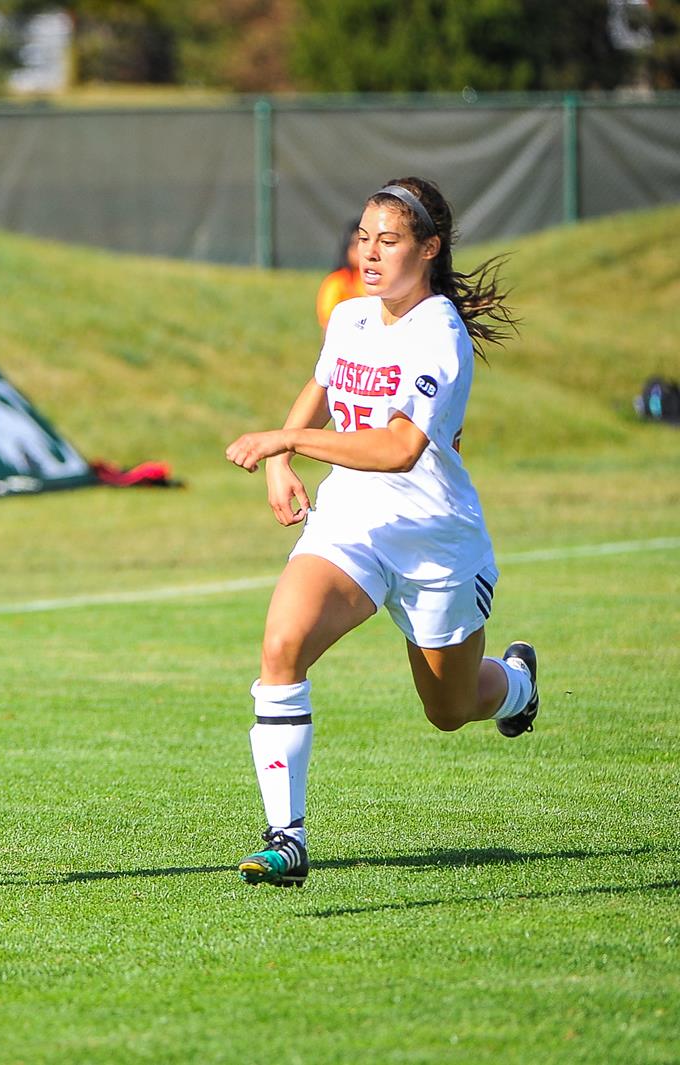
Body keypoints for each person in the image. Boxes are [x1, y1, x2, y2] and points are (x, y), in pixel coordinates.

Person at [223, 176, 535, 888]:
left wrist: (285, 438)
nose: (369, 252)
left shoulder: (440, 334)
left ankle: (516, 684)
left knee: (451, 710)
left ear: (428, 249)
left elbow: (399, 449)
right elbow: (326, 388)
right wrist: (284, 454)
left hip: (435, 540)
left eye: (389, 240)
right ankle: (287, 839)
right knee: (281, 646)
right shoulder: (352, 316)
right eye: (363, 237)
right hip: (353, 524)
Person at [315, 219, 367, 329]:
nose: (360, 249)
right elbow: (327, 320)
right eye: (355, 244)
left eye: (364, 242)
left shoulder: (379, 279)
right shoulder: (336, 282)